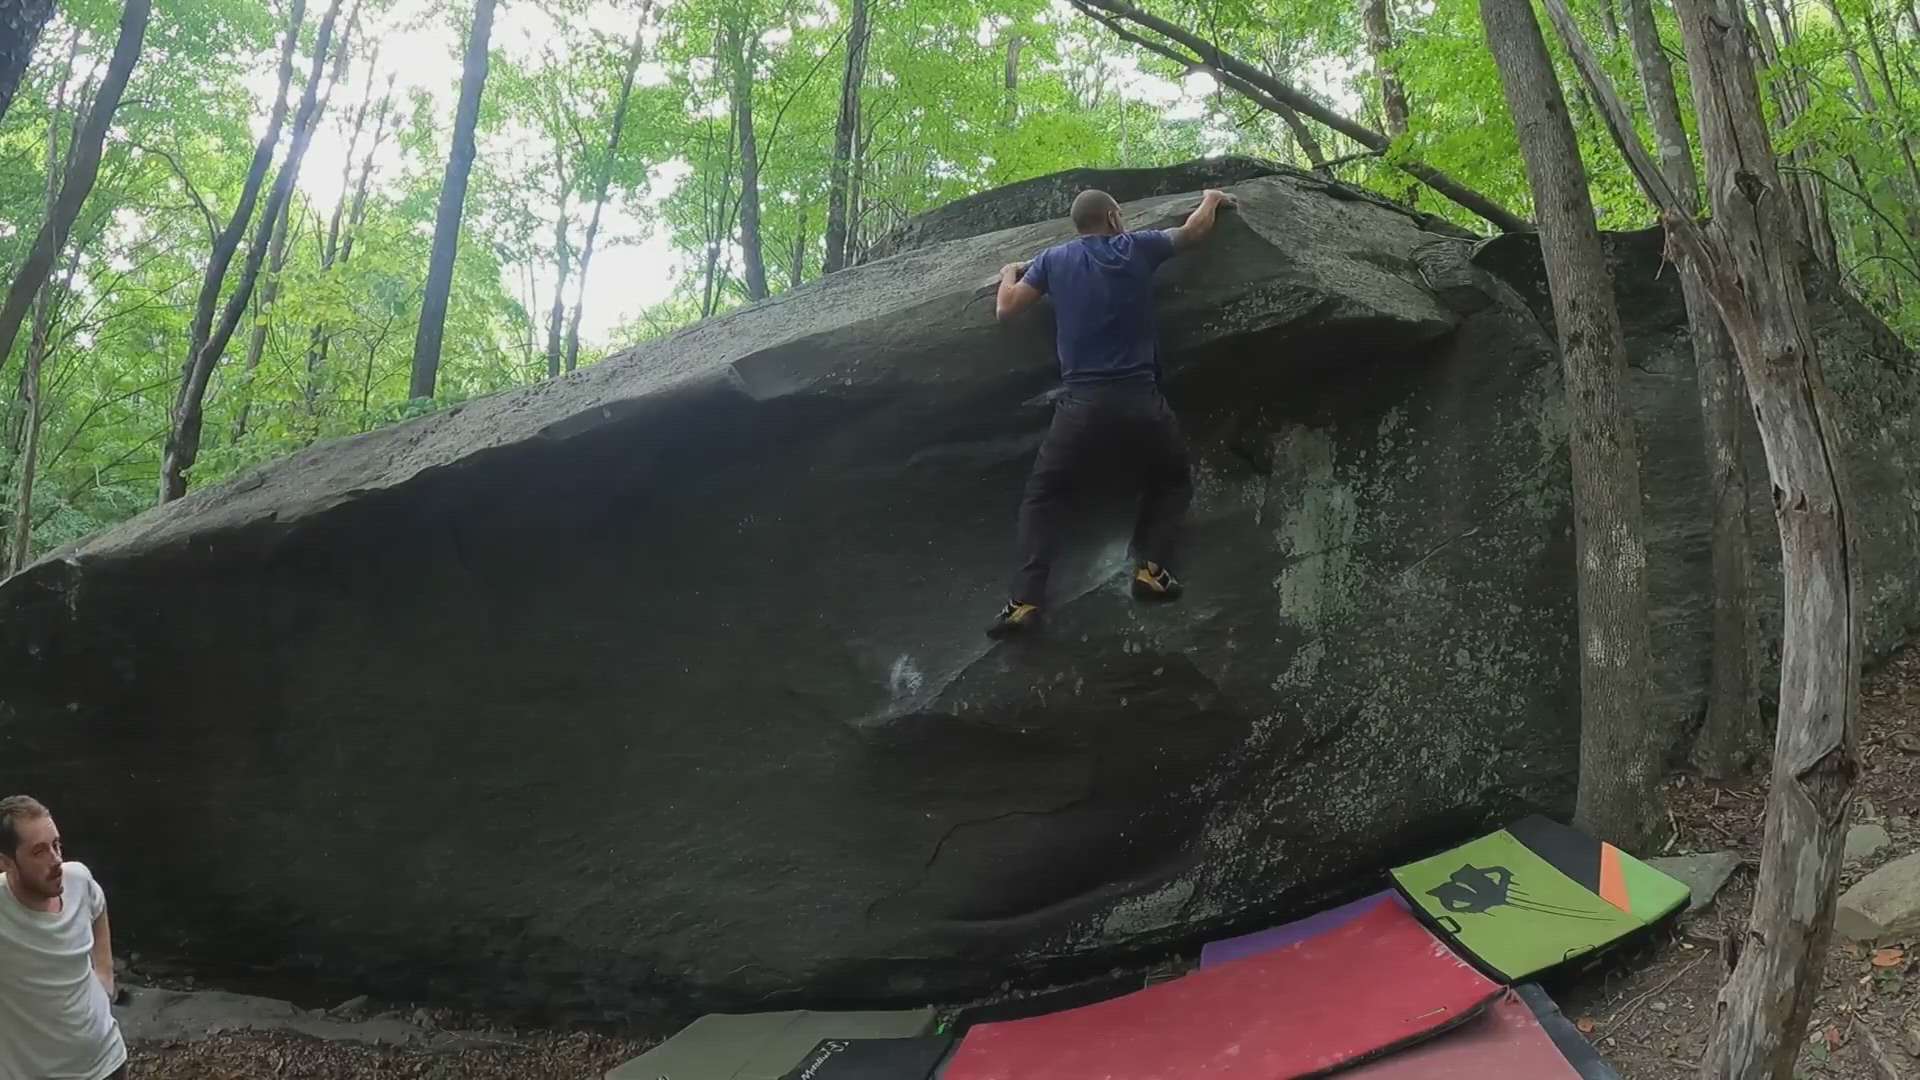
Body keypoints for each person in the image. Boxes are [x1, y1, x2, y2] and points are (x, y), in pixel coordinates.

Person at [986, 186, 1237, 638]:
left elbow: (1006, 309)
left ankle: (1024, 600)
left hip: (1080, 407)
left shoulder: (1053, 260)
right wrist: (1212, 199)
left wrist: (1008, 273)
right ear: (1114, 217)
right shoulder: (1138, 247)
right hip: (1141, 401)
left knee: (1044, 496)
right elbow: (1194, 232)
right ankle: (1151, 570)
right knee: (1172, 479)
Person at [0, 796, 127, 1080]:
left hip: (108, 1061)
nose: (56, 860)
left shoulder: (77, 880)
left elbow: (98, 906)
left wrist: (104, 972)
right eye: (39, 852)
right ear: (6, 862)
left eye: (56, 845)